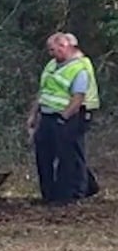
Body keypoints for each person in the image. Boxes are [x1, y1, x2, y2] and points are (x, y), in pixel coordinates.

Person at [26, 32, 101, 203]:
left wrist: (65, 116)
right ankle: (50, 194)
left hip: (70, 116)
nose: (51, 53)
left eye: (53, 49)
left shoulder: (80, 67)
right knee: (45, 154)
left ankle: (70, 194)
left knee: (69, 156)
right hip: (47, 115)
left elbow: (79, 96)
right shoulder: (51, 65)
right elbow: (43, 91)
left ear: (64, 46)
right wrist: (33, 114)